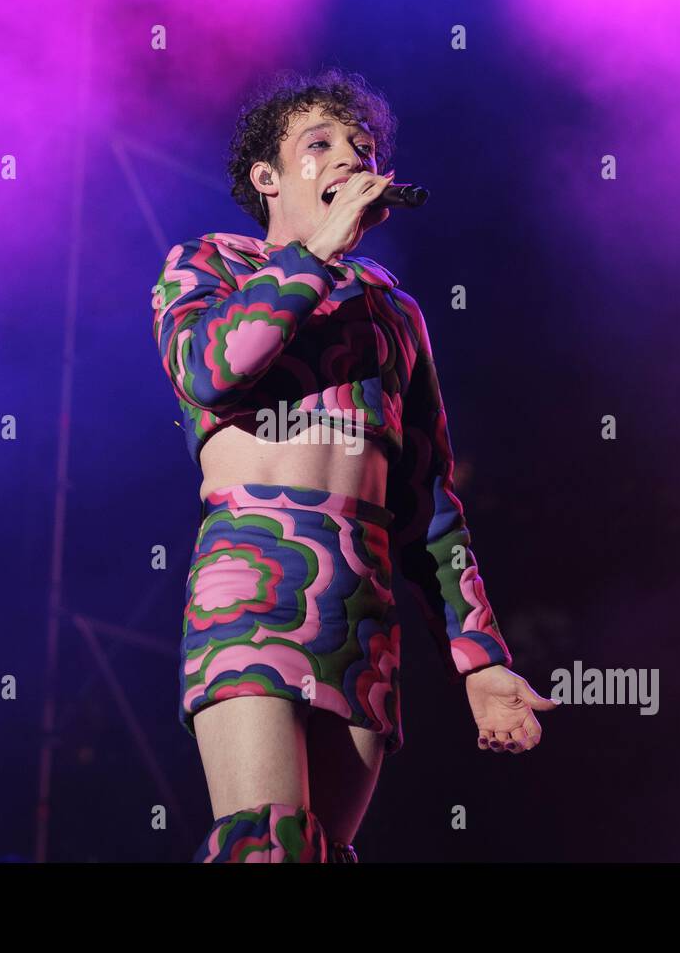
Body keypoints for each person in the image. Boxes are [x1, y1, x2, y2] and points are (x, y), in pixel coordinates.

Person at [151, 68, 556, 863]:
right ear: (266, 176)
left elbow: (430, 506)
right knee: (265, 845)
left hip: (361, 600)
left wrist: (480, 661)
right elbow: (209, 370)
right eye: (321, 143)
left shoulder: (394, 311)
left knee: (321, 856)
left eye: (363, 146)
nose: (349, 156)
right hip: (254, 569)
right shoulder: (210, 265)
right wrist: (313, 254)